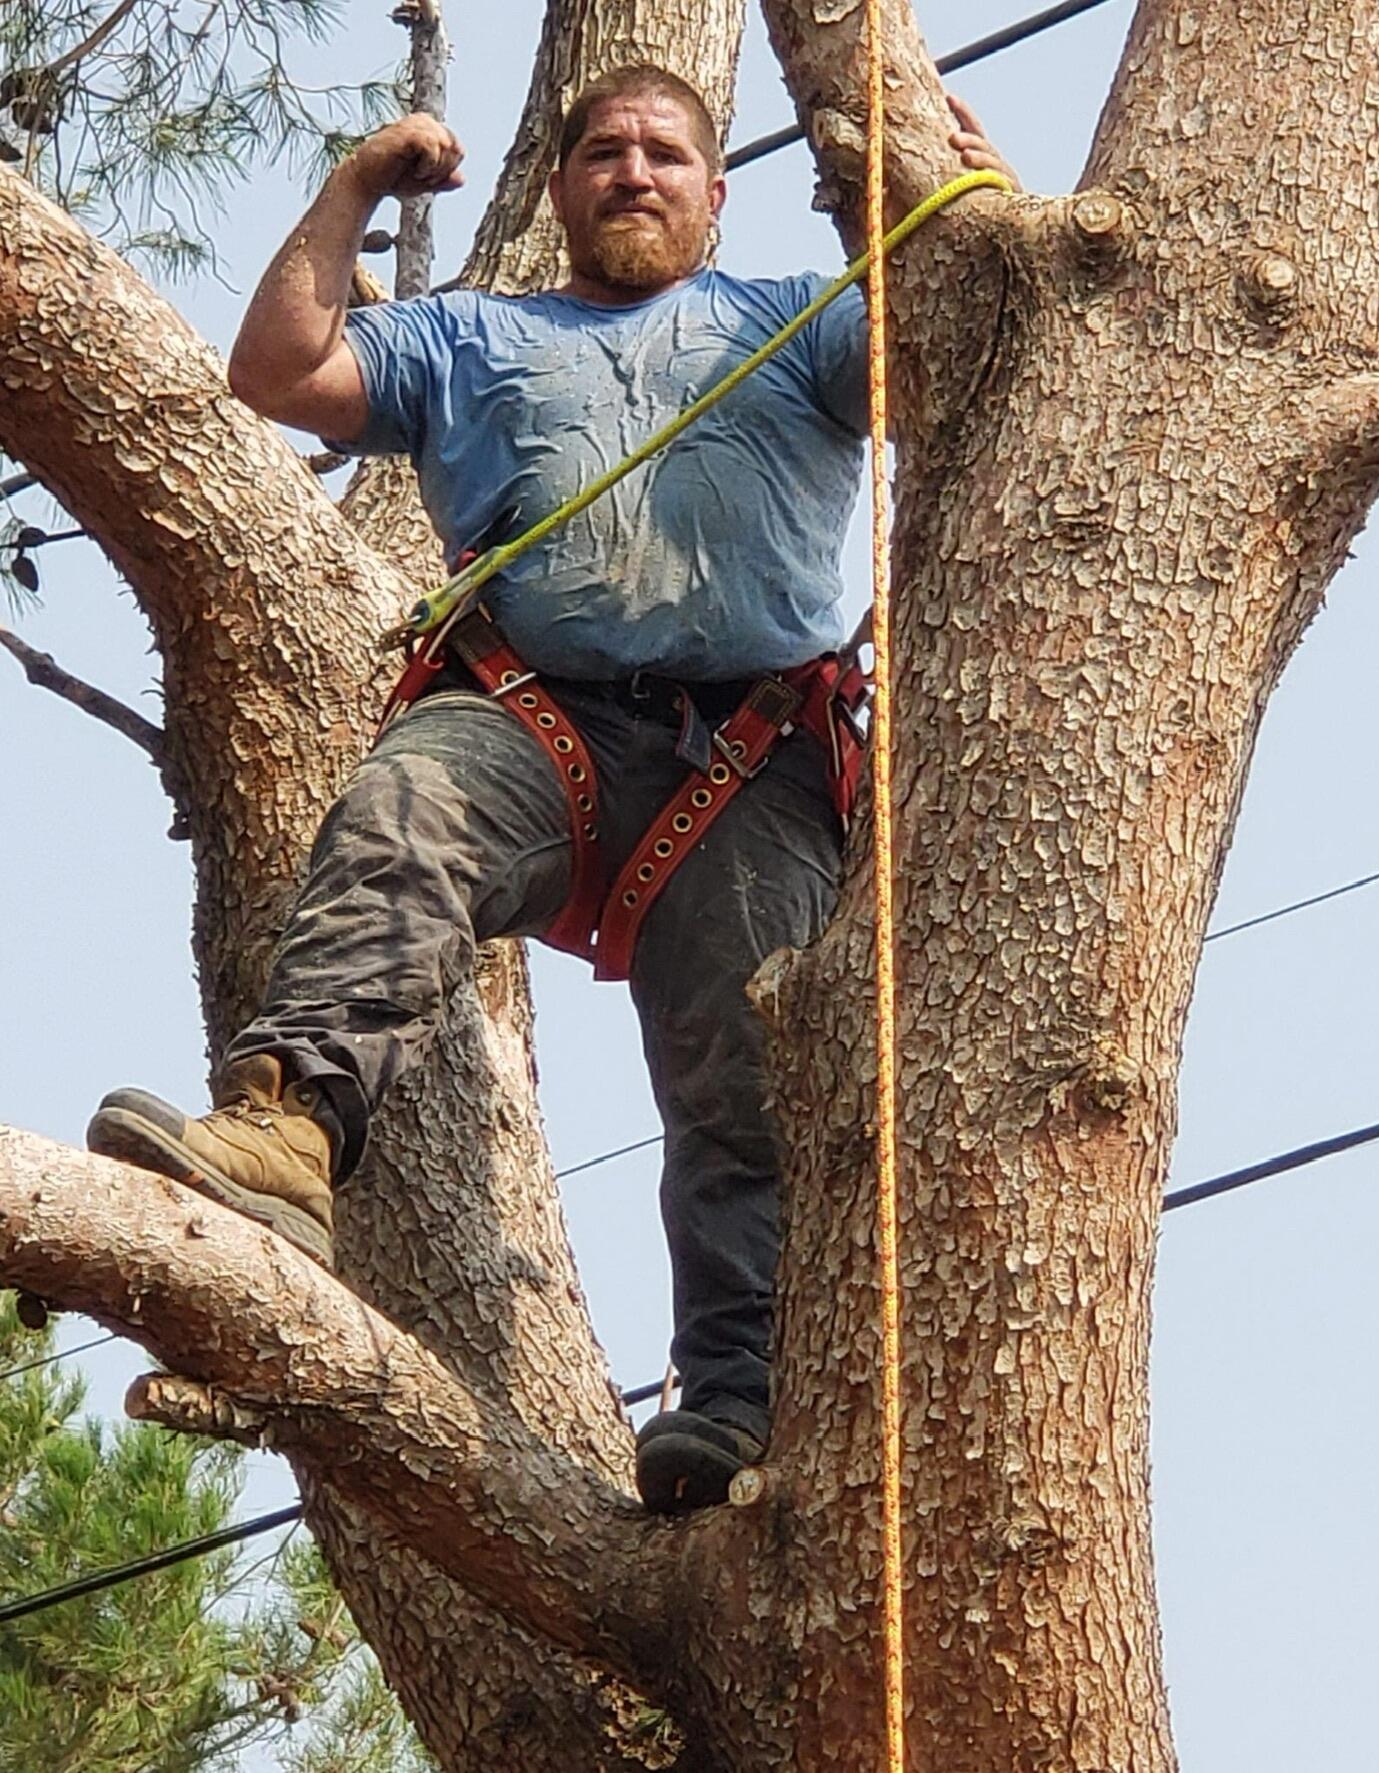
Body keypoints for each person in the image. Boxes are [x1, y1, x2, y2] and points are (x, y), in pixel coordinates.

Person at [86, 66, 1016, 1513]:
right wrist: (354, 186)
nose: (632, 171)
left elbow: (975, 336)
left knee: (740, 1059)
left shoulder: (799, 322)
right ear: (564, 188)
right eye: (602, 153)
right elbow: (277, 373)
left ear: (716, 194)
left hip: (746, 752)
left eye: (664, 154)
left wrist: (952, 184)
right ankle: (284, 1128)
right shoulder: (471, 339)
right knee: (401, 820)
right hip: (535, 718)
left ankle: (735, 1397)